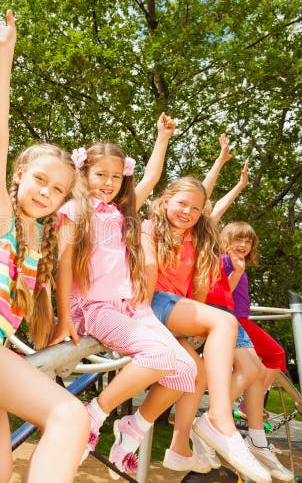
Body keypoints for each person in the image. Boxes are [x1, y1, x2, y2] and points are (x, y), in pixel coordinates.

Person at [0, 3, 89, 483]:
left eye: (57, 190)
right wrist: (3, 55)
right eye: (40, 179)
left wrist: (61, 323)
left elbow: (28, 302)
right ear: (19, 176)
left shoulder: (40, 239)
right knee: (69, 415)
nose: (46, 193)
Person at [52, 123, 198, 479]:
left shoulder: (120, 213)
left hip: (130, 306)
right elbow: (63, 265)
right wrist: (63, 317)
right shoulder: (75, 211)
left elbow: (151, 175)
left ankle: (132, 429)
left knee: (188, 371)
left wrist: (162, 137)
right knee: (161, 355)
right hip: (94, 307)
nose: (108, 182)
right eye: (100, 174)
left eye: (115, 177)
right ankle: (95, 414)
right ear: (83, 173)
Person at [143, 176, 272, 483]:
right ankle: (219, 417)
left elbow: (198, 286)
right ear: (164, 202)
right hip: (152, 302)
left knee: (196, 373)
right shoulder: (150, 229)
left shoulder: (196, 238)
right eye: (181, 204)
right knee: (224, 321)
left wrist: (193, 322)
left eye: (196, 209)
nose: (188, 211)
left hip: (176, 310)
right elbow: (148, 270)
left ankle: (179, 445)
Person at [221, 221, 293, 481]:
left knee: (266, 363)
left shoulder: (237, 264)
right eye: (237, 240)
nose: (242, 245)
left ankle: (251, 415)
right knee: (273, 356)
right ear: (226, 240)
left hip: (242, 320)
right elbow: (222, 294)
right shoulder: (226, 262)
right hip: (235, 322)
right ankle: (238, 405)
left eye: (247, 242)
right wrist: (237, 271)